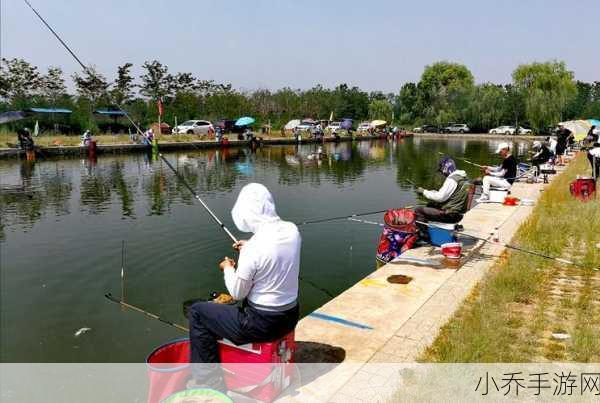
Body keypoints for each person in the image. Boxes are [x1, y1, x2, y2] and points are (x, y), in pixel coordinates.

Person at [188, 183, 301, 389]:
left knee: (197, 312)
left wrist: (228, 268)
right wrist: (248, 247)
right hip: (290, 316)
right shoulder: (292, 231)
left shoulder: (255, 249)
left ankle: (207, 381)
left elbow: (237, 293)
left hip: (262, 324)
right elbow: (273, 253)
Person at [414, 156, 470, 240]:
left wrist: (423, 192)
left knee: (419, 210)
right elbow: (449, 195)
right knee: (431, 205)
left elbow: (440, 197)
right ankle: (434, 229)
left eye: (441, 170)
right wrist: (432, 192)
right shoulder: (463, 178)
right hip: (459, 214)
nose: (442, 173)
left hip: (450, 215)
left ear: (445, 168)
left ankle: (424, 236)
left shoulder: (452, 179)